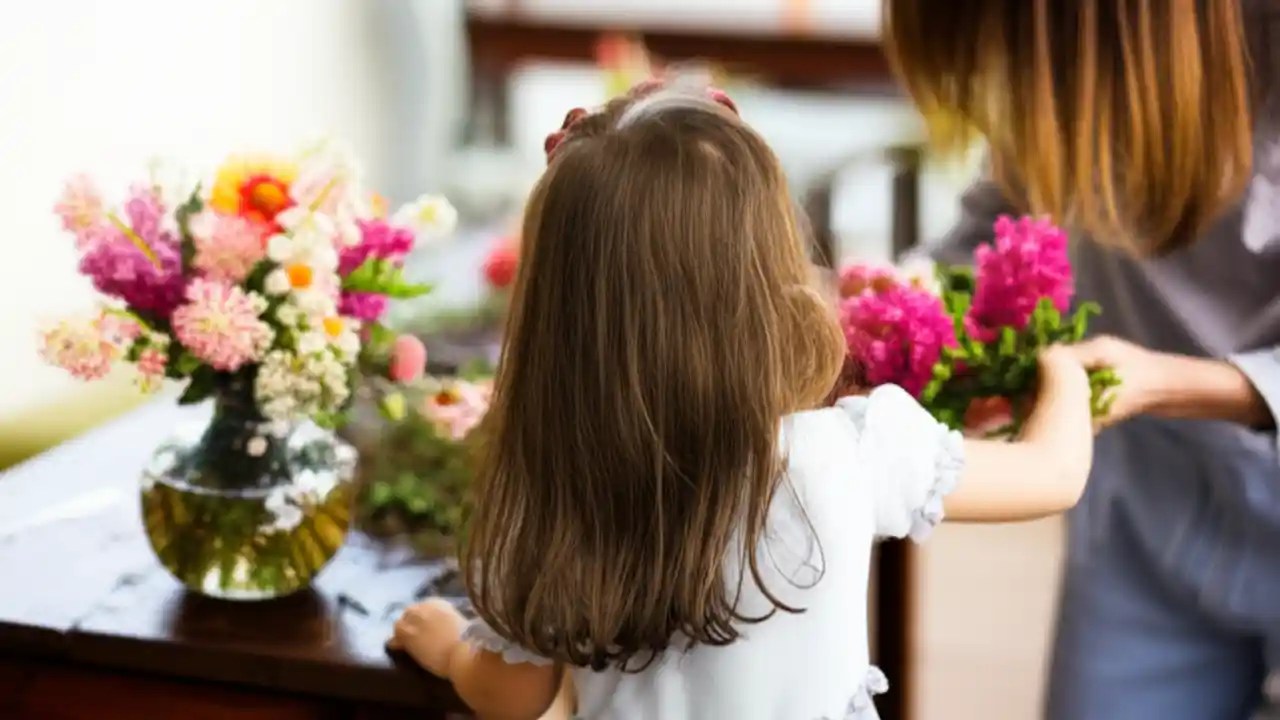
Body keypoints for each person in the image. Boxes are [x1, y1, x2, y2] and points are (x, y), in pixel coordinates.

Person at [387, 82, 1095, 720]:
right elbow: (1054, 474)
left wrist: (452, 651)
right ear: (767, 280)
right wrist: (1061, 365)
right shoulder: (848, 451)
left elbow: (517, 696)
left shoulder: (552, 482)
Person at [882, 1, 1280, 717]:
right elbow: (1002, 214)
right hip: (1147, 513)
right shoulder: (1060, 59)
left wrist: (1171, 383)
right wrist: (894, 298)